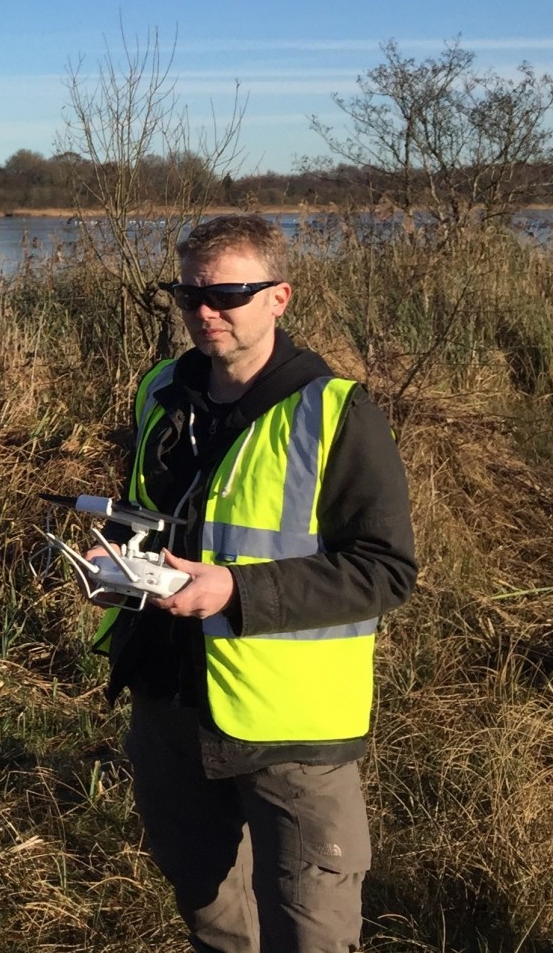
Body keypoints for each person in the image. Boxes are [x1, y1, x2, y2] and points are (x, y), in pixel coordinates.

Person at [91, 214, 416, 953]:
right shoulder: (160, 391)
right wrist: (119, 564)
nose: (205, 311)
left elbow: (386, 568)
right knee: (206, 902)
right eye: (188, 293)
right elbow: (159, 515)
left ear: (280, 297)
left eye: (230, 292)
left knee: (310, 931)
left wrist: (234, 593)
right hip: (171, 700)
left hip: (290, 727)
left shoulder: (337, 412)